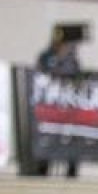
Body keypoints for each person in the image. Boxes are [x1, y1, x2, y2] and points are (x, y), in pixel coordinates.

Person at [35, 23, 83, 178]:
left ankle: (71, 174)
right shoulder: (47, 57)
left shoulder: (73, 59)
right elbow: (44, 74)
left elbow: (77, 78)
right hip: (50, 107)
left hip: (68, 108)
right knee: (47, 140)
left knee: (73, 140)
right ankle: (41, 172)